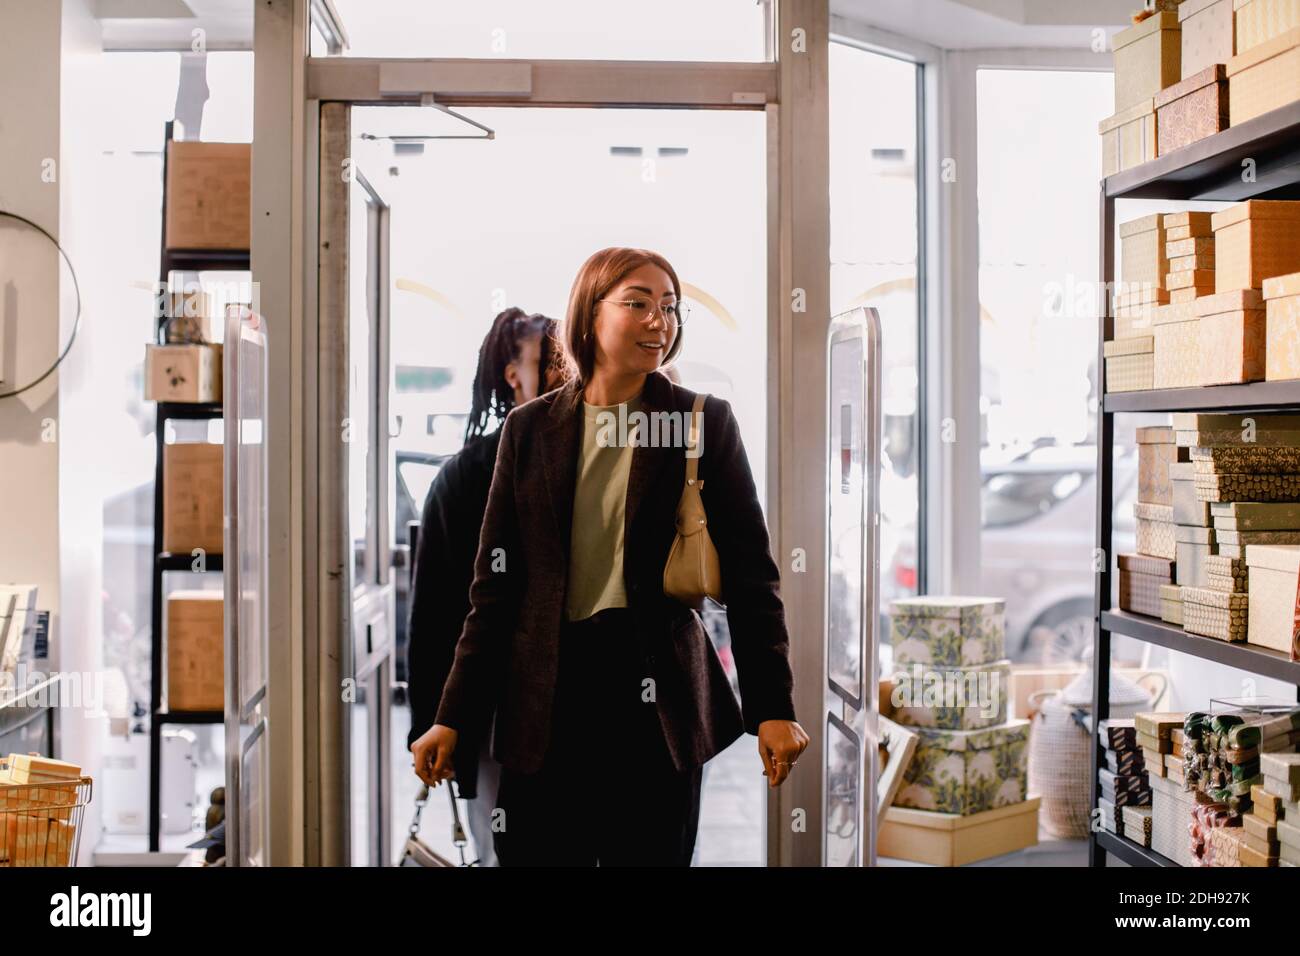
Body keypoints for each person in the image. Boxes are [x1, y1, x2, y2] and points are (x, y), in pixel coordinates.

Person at [412, 247, 809, 866]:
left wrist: (773, 709)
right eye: (639, 303)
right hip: (545, 699)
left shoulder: (701, 423)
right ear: (589, 314)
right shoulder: (530, 430)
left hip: (656, 705)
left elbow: (755, 578)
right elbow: (492, 593)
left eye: (671, 307)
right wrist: (449, 717)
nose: (660, 320)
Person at [405, 307, 563, 866]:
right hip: (498, 715)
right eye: (547, 361)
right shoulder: (467, 477)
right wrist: (432, 725)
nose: (563, 373)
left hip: (579, 710)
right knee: (503, 850)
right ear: (509, 374)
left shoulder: (595, 459)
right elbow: (434, 618)